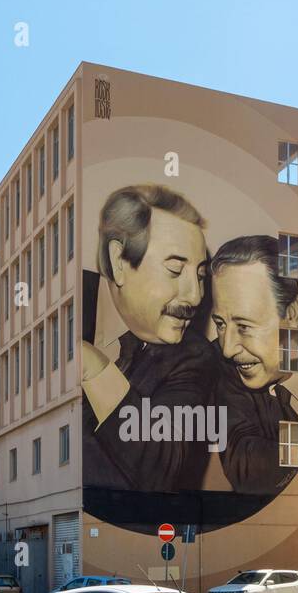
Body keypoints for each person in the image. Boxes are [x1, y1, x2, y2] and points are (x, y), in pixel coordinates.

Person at [80, 184, 217, 491]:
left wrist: (97, 370)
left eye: (200, 275)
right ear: (118, 262)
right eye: (174, 269)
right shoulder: (62, 308)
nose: (195, 296)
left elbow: (165, 468)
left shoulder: (194, 357)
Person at [207, 235, 298, 494]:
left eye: (243, 326)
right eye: (221, 324)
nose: (228, 348)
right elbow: (249, 470)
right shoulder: (219, 366)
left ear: (290, 314)